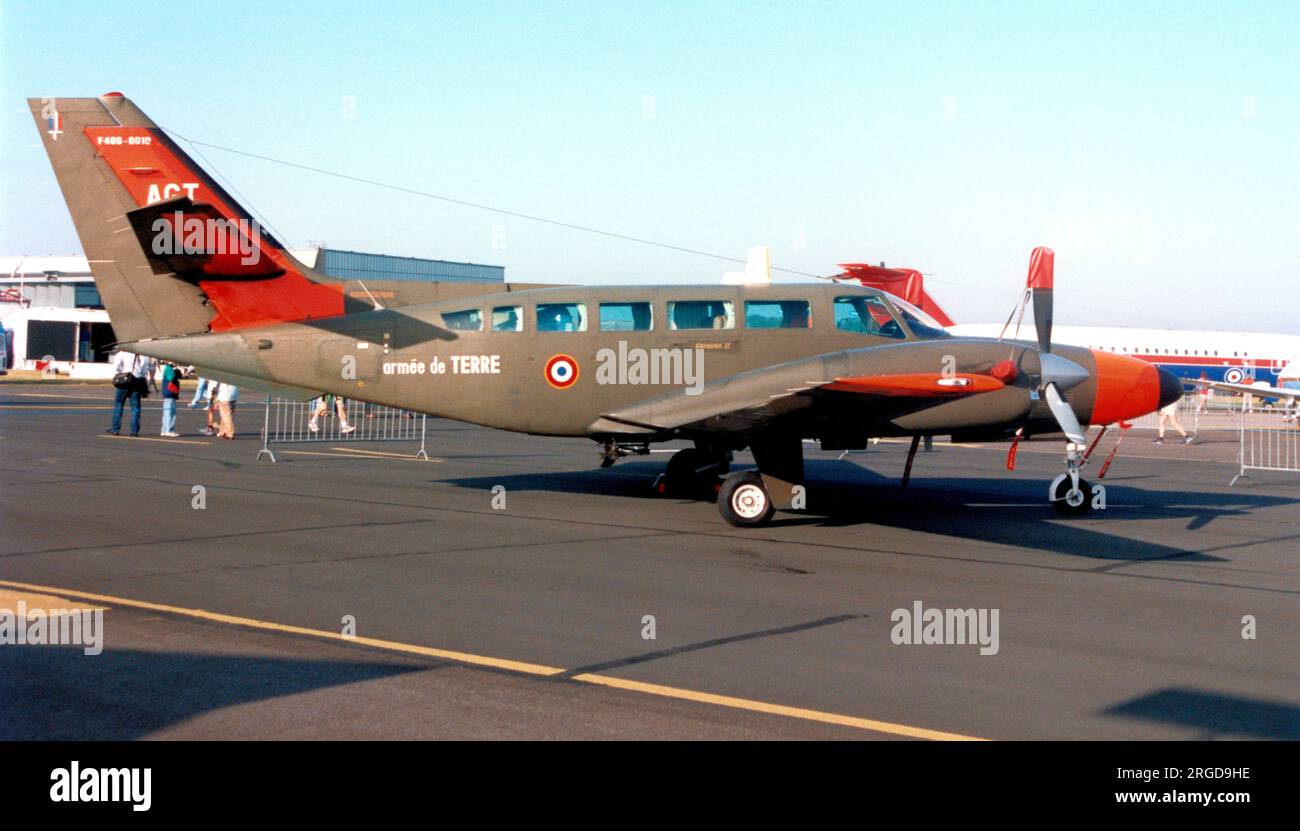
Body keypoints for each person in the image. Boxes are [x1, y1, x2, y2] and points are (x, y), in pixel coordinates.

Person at [107, 349, 156, 437]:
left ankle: (115, 429)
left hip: (124, 381)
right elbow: (145, 371)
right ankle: (134, 431)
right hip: (137, 381)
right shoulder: (144, 355)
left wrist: (118, 374)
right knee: (135, 407)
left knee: (119, 405)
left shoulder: (123, 353)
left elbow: (116, 366)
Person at [159, 361, 182, 437]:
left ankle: (164, 430)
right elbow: (171, 378)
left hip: (167, 393)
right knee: (171, 412)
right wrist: (175, 371)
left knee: (166, 412)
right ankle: (169, 430)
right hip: (170, 392)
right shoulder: (169, 369)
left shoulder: (167, 368)